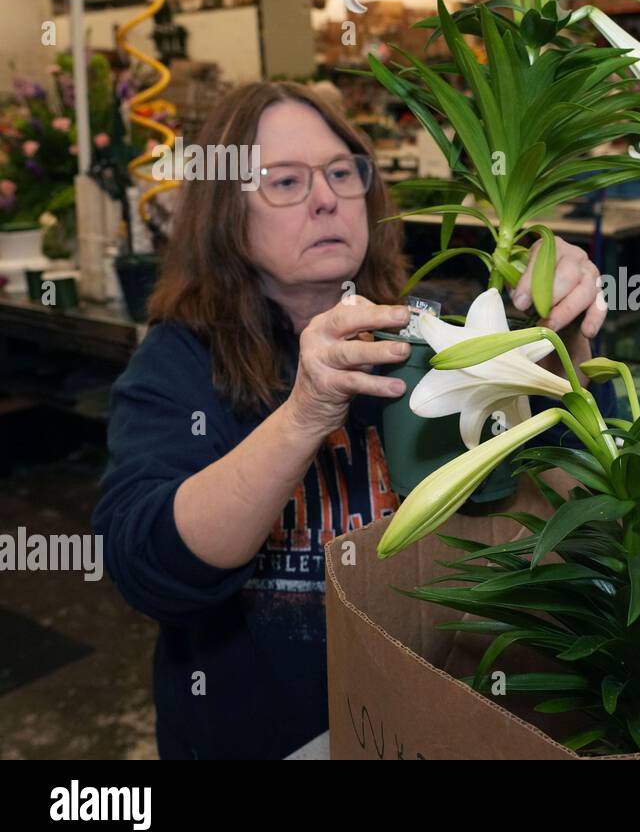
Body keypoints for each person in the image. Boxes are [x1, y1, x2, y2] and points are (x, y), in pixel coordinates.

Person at [92, 82, 606, 759]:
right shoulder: (179, 361)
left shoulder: (429, 331)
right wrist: (305, 413)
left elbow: (558, 479)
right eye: (284, 181)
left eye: (342, 171)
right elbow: (147, 566)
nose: (327, 197)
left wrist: (558, 331)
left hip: (423, 727)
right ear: (226, 212)